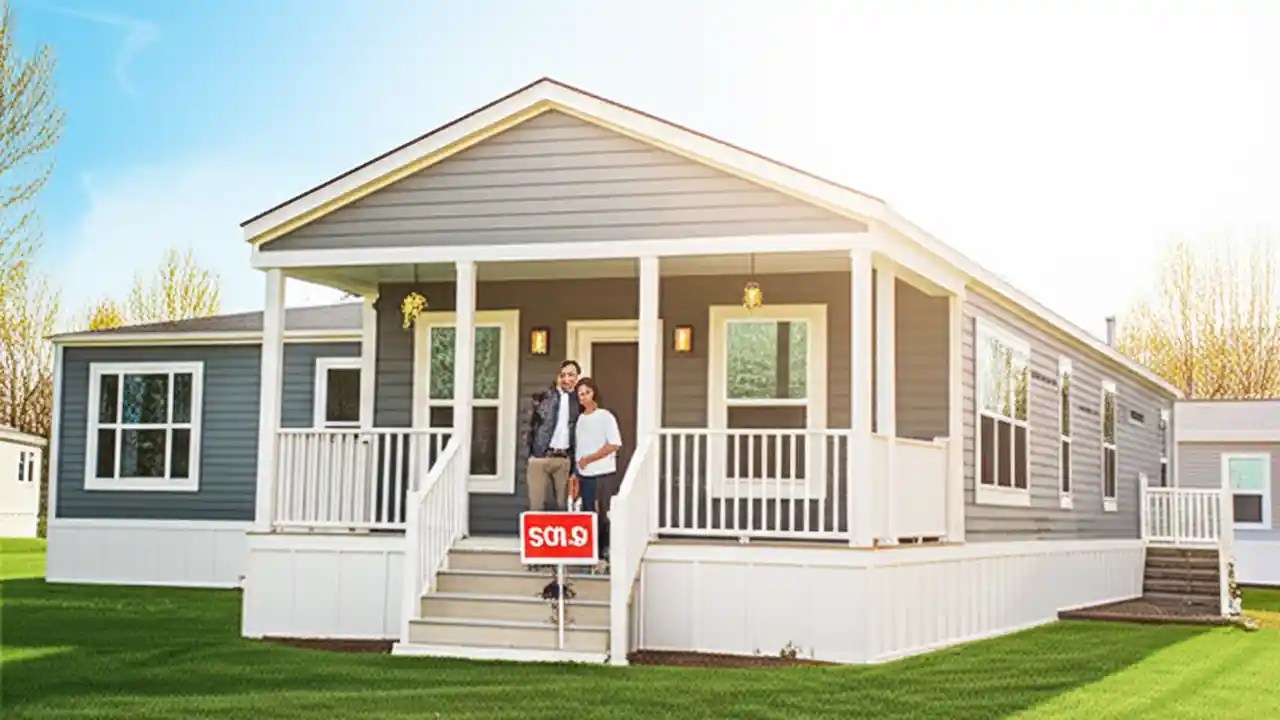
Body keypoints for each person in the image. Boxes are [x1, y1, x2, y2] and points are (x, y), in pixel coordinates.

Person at [570, 377, 622, 568]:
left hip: (603, 472)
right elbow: (579, 449)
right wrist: (576, 472)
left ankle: (603, 553)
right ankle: (589, 553)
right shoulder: (580, 420)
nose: (583, 397)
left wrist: (590, 459)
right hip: (585, 475)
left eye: (587, 393)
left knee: (602, 513)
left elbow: (614, 444)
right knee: (587, 513)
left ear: (595, 393)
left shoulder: (605, 416)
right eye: (580, 394)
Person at [525, 359, 582, 512]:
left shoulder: (578, 402)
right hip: (540, 456)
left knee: (563, 505)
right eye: (563, 375)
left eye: (571, 375)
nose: (567, 379)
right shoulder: (546, 397)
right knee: (536, 506)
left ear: (577, 378)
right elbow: (534, 422)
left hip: (564, 459)